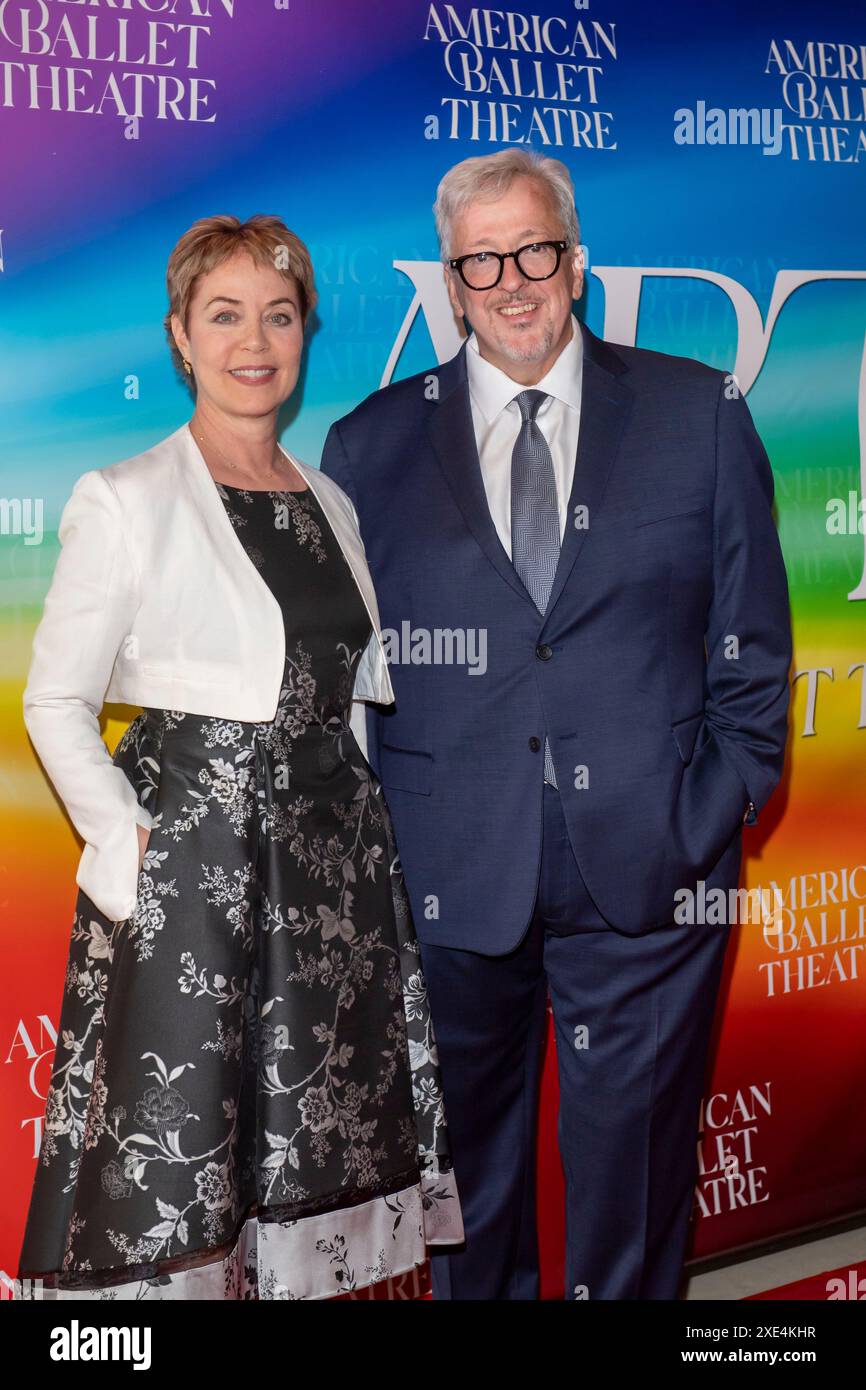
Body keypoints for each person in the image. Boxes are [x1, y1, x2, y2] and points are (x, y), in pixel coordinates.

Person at [320, 149, 792, 1300]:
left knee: (628, 1187)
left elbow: (754, 654)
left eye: (532, 250)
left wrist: (704, 814)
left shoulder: (696, 414)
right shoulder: (368, 447)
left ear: (573, 260)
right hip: (448, 879)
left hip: (649, 878)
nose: (512, 282)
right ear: (450, 280)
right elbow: (342, 686)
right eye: (481, 262)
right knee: (467, 1194)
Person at [16, 214, 463, 1301]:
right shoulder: (123, 499)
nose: (251, 340)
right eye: (223, 315)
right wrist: (135, 851)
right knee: (183, 1158)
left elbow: (344, 696)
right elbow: (55, 700)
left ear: (305, 332)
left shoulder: (332, 502)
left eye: (277, 314)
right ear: (179, 335)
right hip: (195, 887)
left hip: (329, 890)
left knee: (317, 1140)